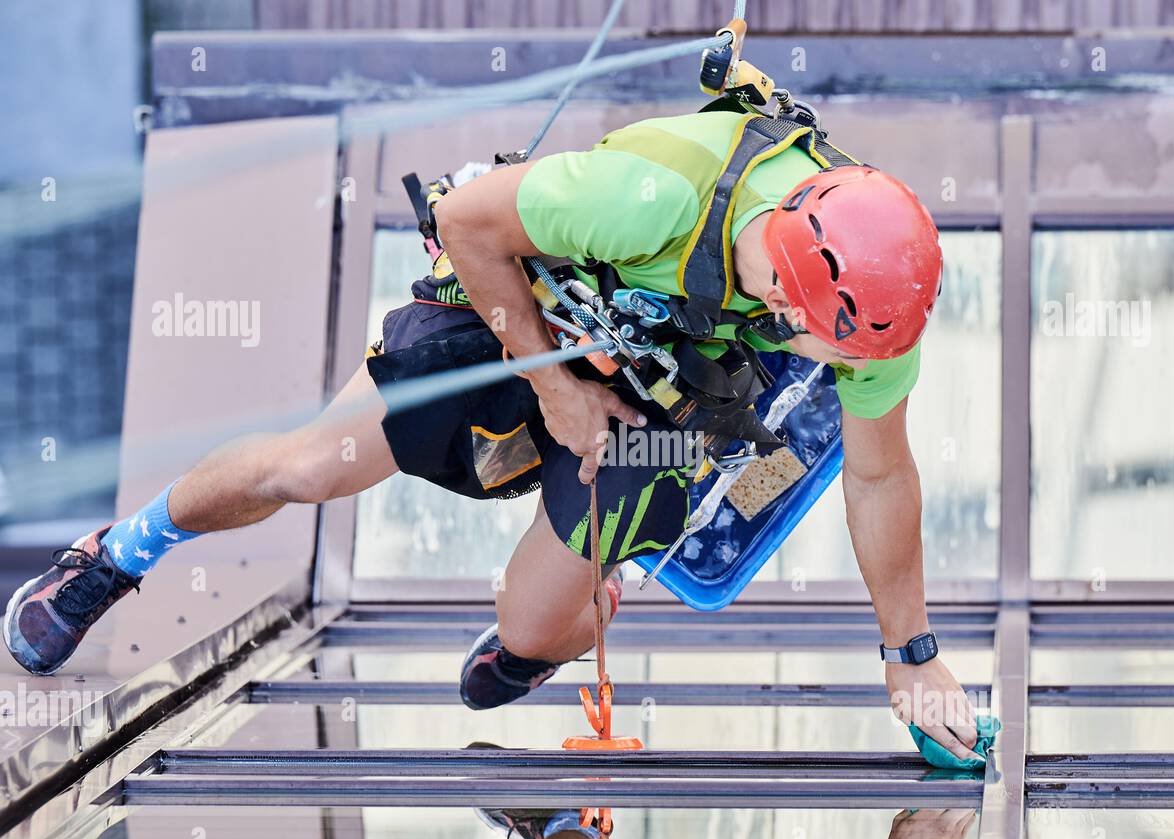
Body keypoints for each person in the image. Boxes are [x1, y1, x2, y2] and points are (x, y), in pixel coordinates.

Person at [5, 105, 980, 761]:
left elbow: (880, 477)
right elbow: (469, 225)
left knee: (531, 629)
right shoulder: (651, 198)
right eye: (807, 335)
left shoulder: (872, 309)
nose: (820, 360)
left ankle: (575, 605)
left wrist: (912, 653)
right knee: (310, 467)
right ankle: (117, 554)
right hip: (516, 308)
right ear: (783, 276)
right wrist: (554, 387)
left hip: (652, 405)